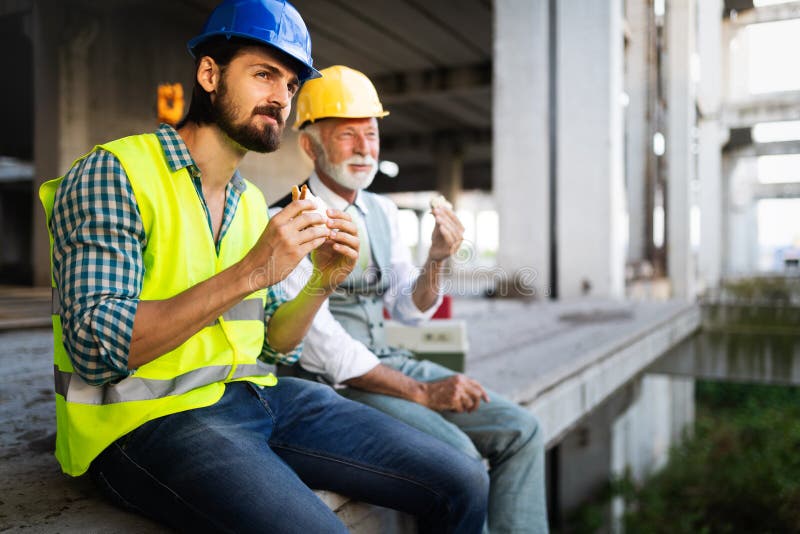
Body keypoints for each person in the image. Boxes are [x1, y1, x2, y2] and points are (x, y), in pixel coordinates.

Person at [38, 2, 489, 532]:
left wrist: (323, 279)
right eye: (263, 74)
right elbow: (96, 349)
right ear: (209, 74)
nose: (281, 97)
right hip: (144, 425)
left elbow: (277, 344)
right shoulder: (114, 173)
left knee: (463, 481)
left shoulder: (250, 202)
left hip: (258, 397)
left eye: (292, 84)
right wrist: (252, 270)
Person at [272, 65, 549, 534]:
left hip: (389, 360)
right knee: (457, 458)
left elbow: (407, 307)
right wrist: (421, 391)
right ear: (309, 144)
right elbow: (324, 350)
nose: (364, 148)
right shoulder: (285, 219)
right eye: (347, 135)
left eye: (372, 133)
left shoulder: (381, 210)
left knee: (523, 431)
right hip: (333, 384)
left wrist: (438, 257)